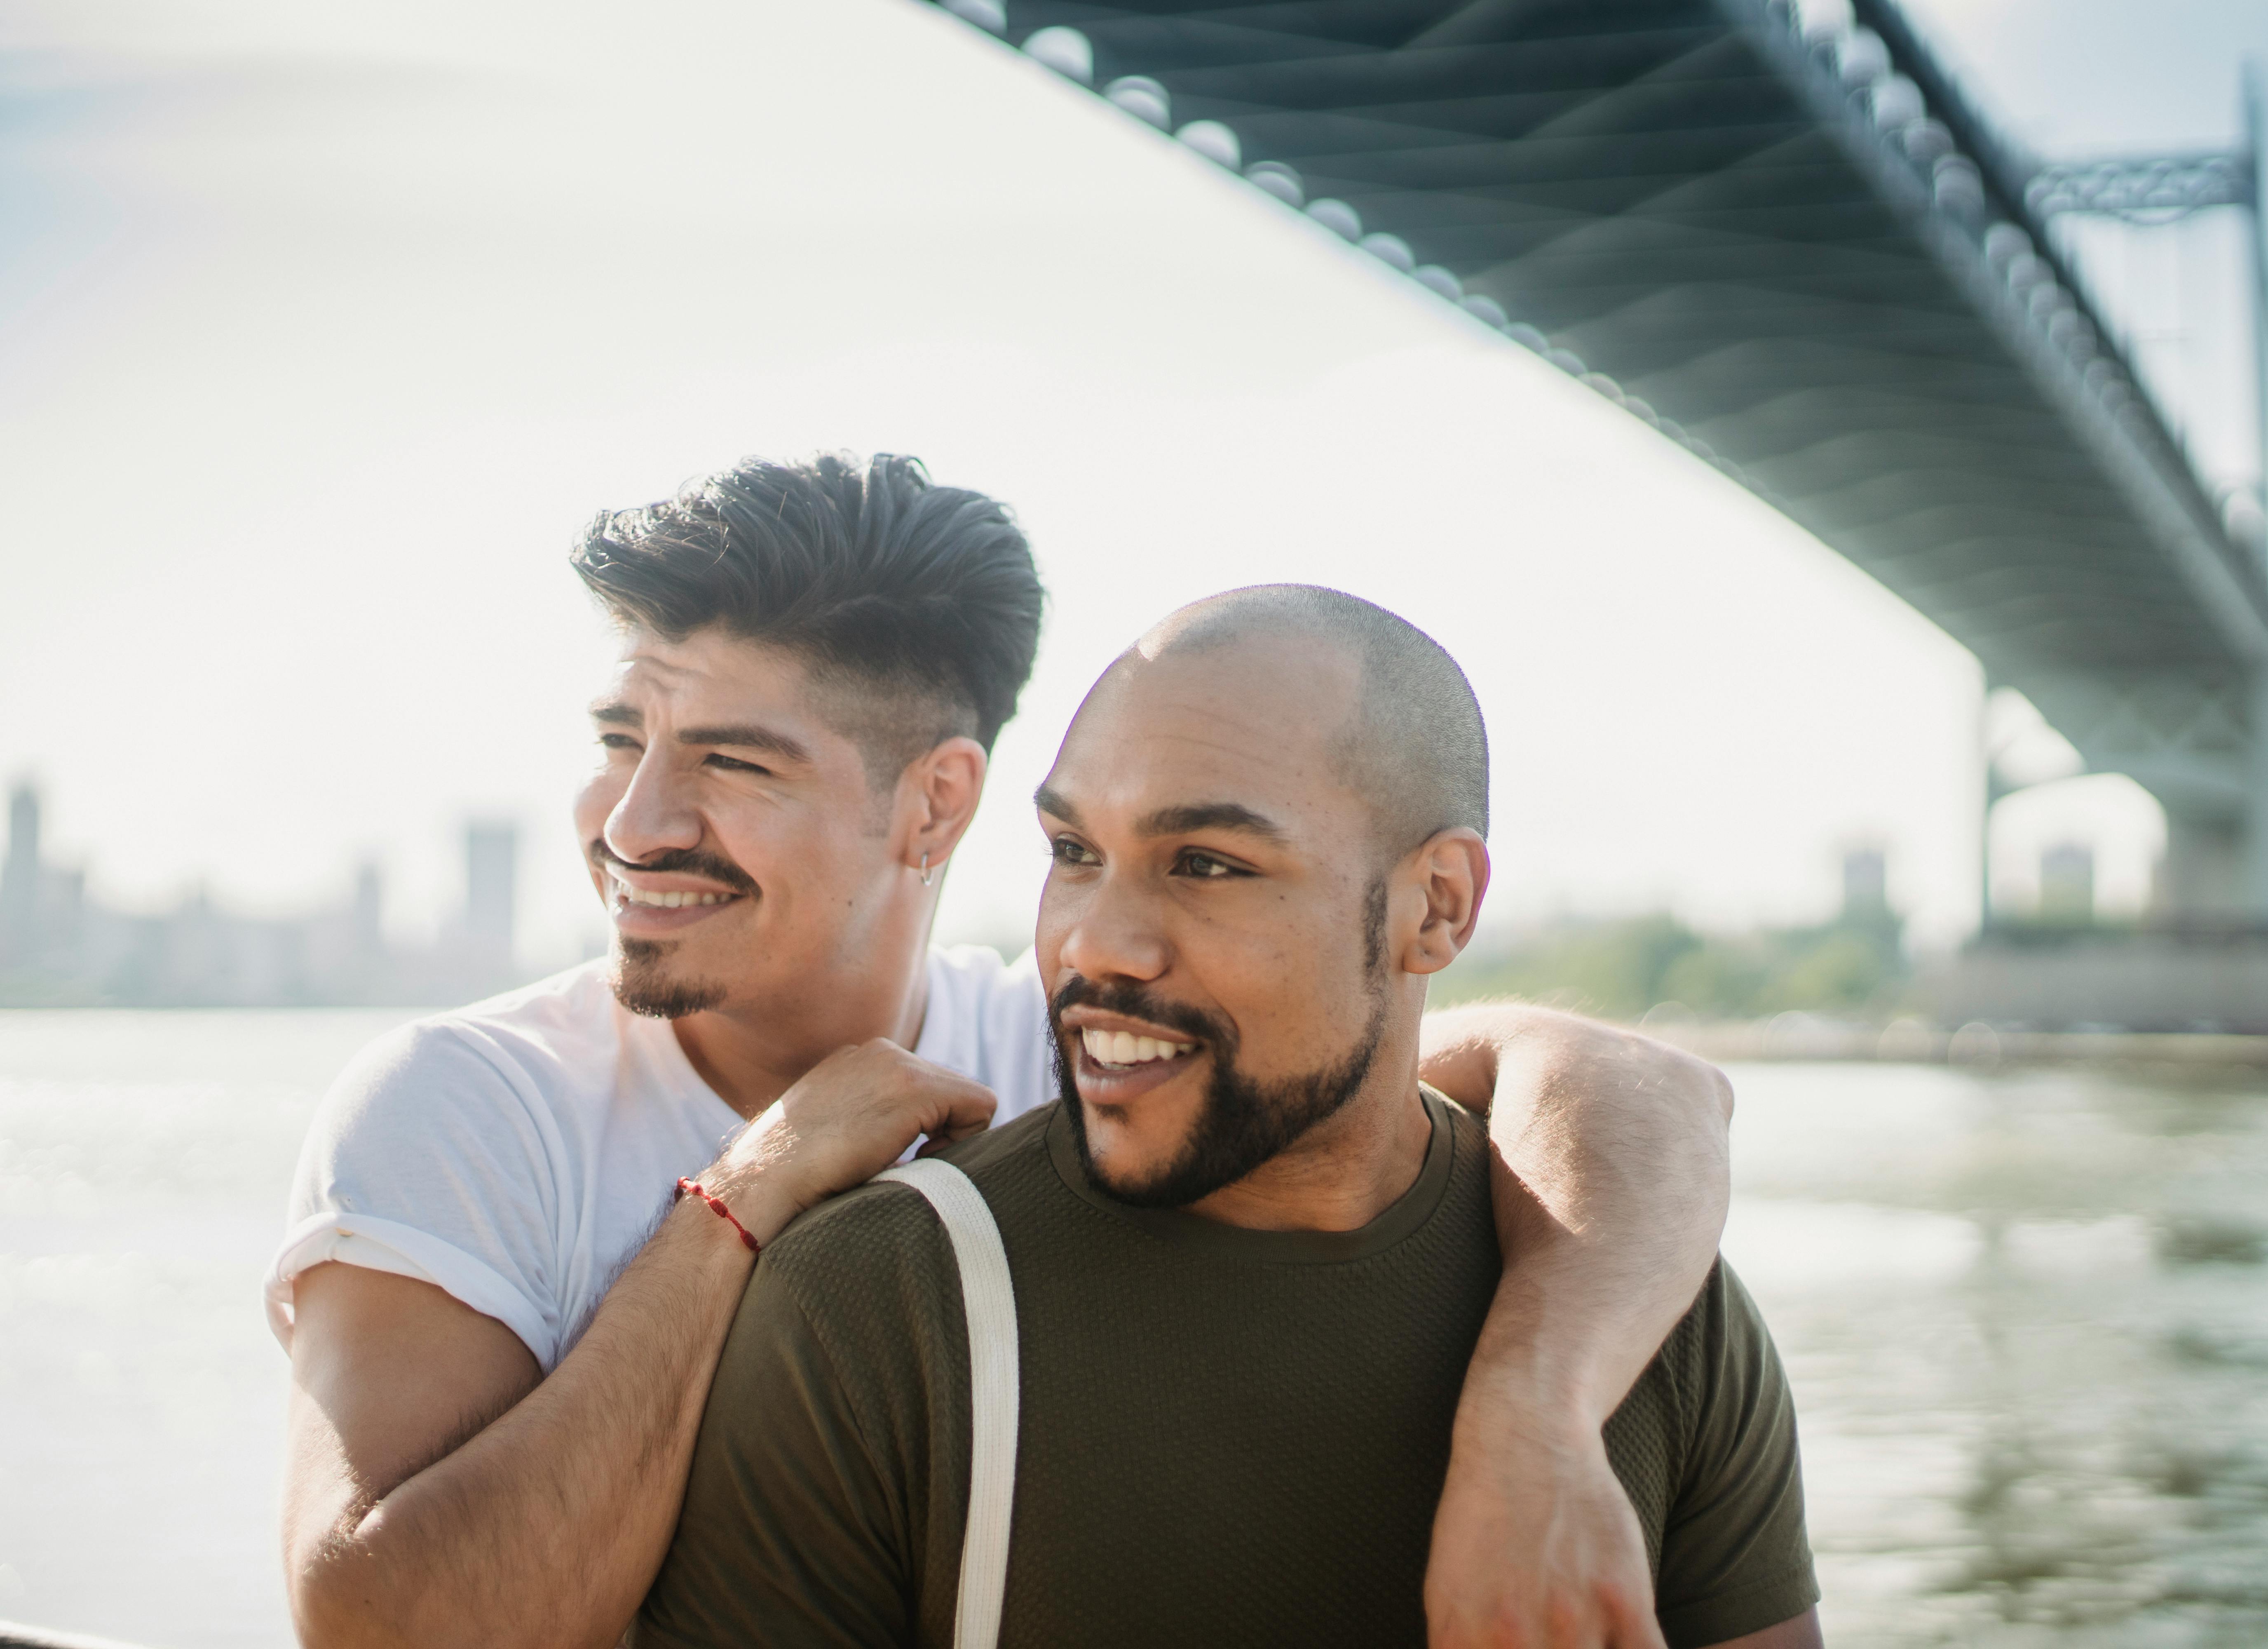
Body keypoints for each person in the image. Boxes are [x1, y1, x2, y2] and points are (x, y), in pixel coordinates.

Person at [270, 456, 1738, 1649]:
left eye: (730, 761)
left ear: (933, 805)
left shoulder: (1095, 1057)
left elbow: (1637, 1088)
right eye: (620, 740)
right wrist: (741, 1202)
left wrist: (1536, 1419)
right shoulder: (462, 1105)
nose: (634, 823)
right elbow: (388, 1634)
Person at [636, 586, 1820, 1649]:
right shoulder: (878, 1307)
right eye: (1073, 852)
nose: (1096, 943)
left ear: (1437, 907)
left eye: (1206, 864)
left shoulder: (1643, 1309)